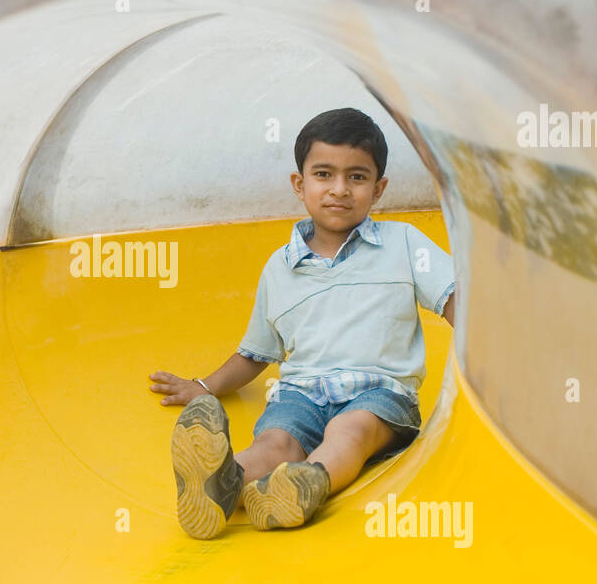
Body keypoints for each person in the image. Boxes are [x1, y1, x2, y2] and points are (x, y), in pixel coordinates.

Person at [149, 108, 456, 539]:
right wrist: (203, 386)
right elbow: (255, 353)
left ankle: (308, 483)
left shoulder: (403, 243)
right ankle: (222, 482)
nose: (339, 190)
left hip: (381, 393)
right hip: (300, 393)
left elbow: (454, 298)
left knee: (349, 429)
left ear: (379, 188)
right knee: (275, 443)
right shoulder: (280, 268)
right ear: (300, 183)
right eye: (324, 174)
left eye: (357, 177)